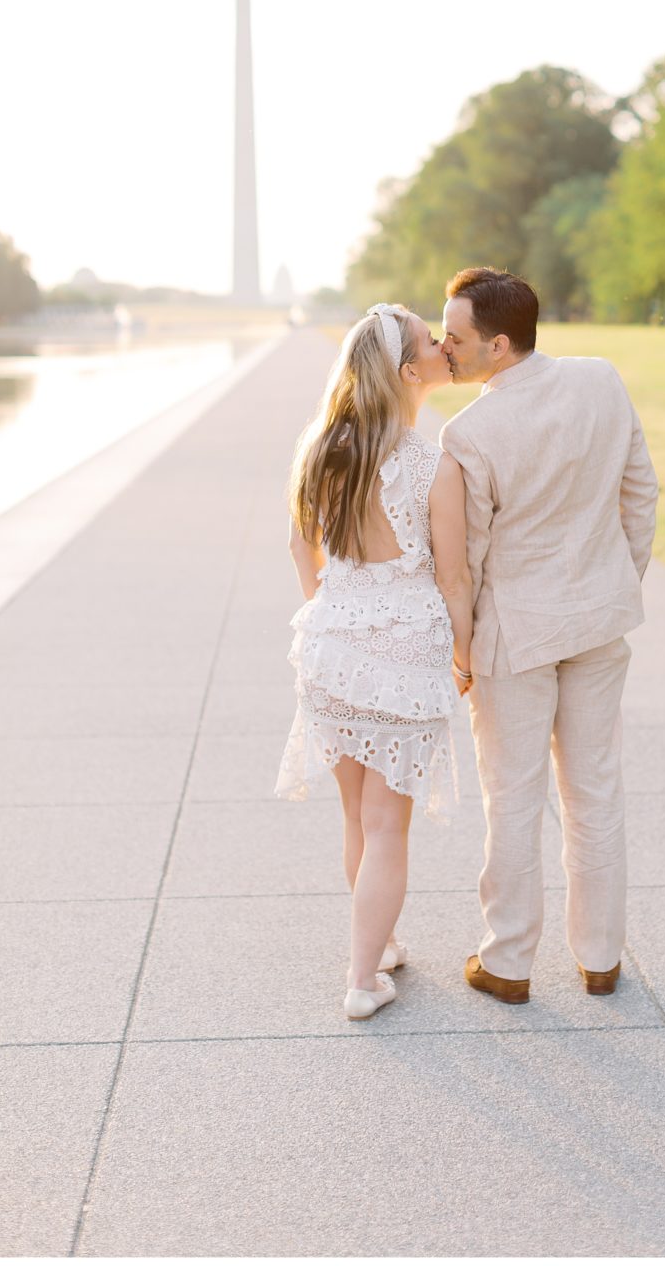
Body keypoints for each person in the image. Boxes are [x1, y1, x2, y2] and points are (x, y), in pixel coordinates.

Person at [439, 267, 658, 1004]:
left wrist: (460, 651)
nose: (446, 346)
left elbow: (464, 562)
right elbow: (640, 490)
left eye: (457, 337)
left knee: (514, 798)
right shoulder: (602, 380)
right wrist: (618, 579)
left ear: (499, 345)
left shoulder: (469, 431)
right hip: (599, 617)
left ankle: (507, 961)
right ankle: (601, 958)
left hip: (515, 635)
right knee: (596, 789)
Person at [276, 303, 473, 1020]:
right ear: (405, 370)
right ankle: (363, 979)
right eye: (430, 341)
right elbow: (453, 579)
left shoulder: (321, 447)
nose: (443, 347)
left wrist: (333, 613)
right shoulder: (432, 464)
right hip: (402, 651)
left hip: (331, 647)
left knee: (357, 818)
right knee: (390, 825)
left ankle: (379, 942)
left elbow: (302, 548)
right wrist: (464, 654)